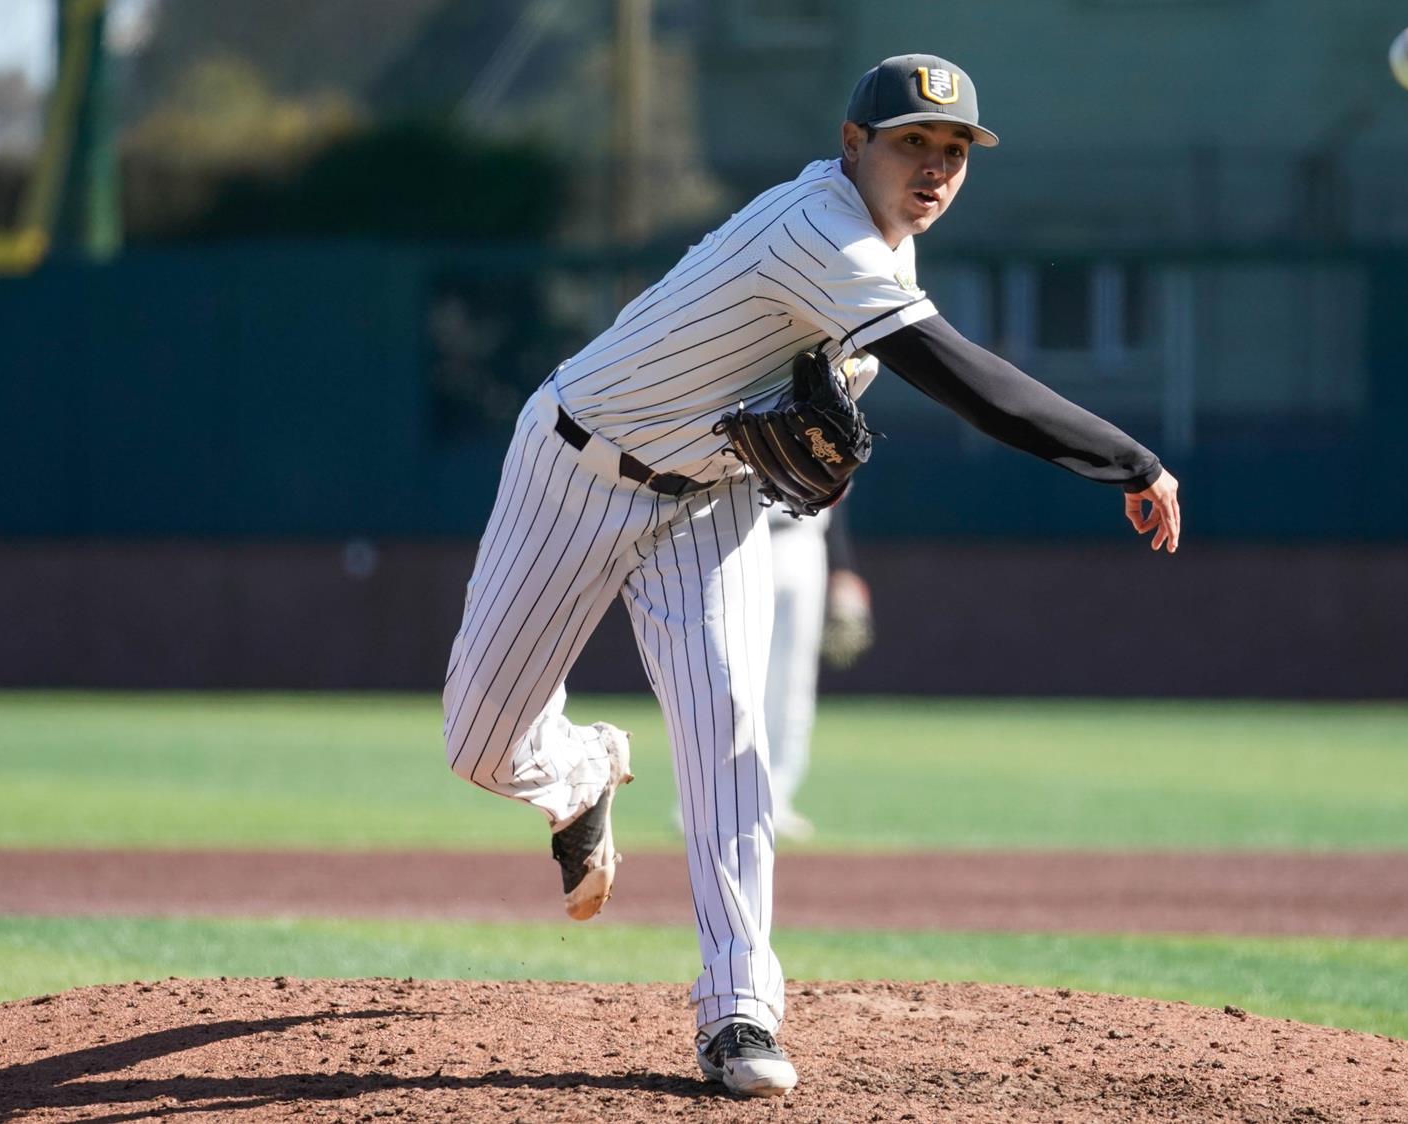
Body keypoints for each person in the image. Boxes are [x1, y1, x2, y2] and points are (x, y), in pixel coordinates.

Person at [440, 52, 1181, 1099]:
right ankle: (581, 769)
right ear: (851, 145)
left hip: (711, 498)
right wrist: (1129, 458)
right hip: (576, 464)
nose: (933, 167)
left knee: (731, 729)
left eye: (954, 150)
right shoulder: (820, 234)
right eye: (910, 143)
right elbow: (966, 382)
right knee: (478, 746)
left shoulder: (880, 256)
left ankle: (738, 1007)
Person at [763, 493, 873, 842]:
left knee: (795, 682)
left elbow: (835, 487)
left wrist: (843, 566)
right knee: (731, 678)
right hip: (740, 538)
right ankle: (703, 801)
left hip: (804, 542)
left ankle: (777, 798)